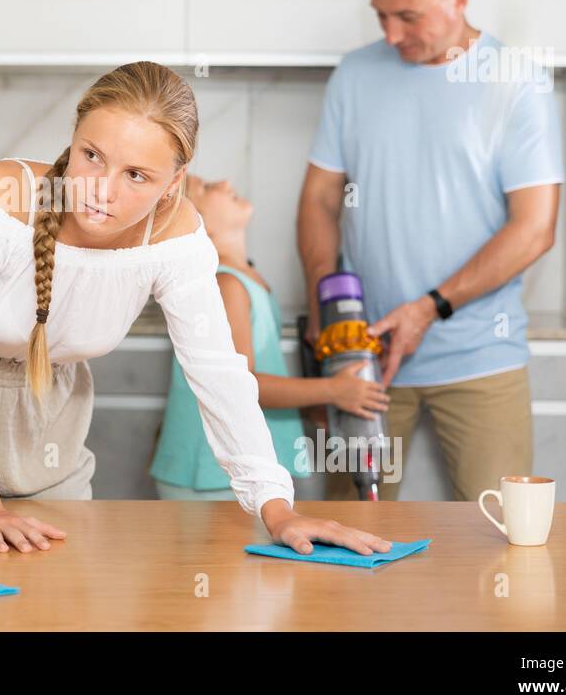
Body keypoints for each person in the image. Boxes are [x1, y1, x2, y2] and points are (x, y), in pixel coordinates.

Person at [0, 60, 392, 558]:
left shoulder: (176, 237)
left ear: (173, 185)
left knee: (56, 598)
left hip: (48, 420)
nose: (100, 190)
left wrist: (277, 510)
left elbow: (219, 374)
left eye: (136, 175)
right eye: (91, 155)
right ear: (72, 139)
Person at [296, 0, 563, 502]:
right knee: (348, 542)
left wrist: (428, 308)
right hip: (359, 357)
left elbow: (536, 228)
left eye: (408, 17)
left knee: (504, 537)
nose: (392, 35)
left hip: (479, 358)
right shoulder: (355, 75)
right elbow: (319, 198)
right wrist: (321, 288)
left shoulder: (518, 82)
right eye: (381, 17)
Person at [150, 174, 389, 499]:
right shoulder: (228, 286)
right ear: (199, 224)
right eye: (205, 189)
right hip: (209, 473)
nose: (223, 183)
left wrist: (311, 404)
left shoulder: (247, 282)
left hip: (230, 472)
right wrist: (332, 390)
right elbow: (240, 385)